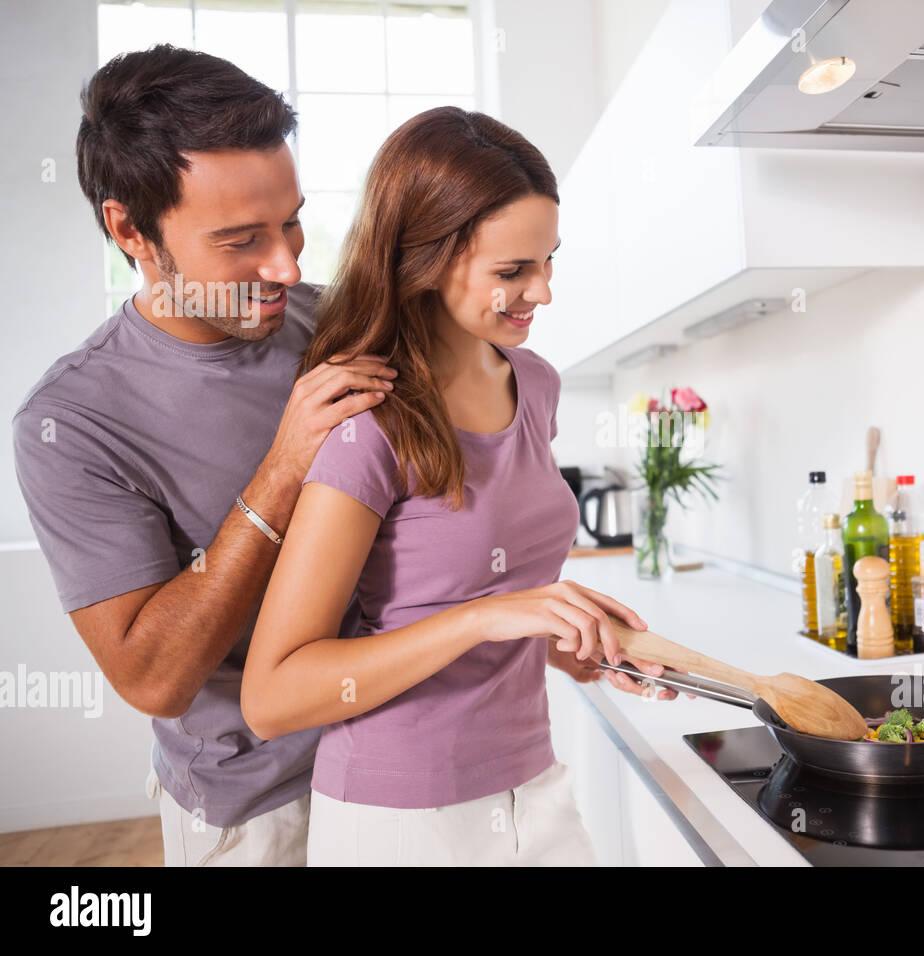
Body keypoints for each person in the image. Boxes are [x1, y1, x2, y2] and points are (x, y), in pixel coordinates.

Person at [240, 106, 676, 867]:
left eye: (548, 262)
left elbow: (475, 597)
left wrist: (564, 637)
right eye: (512, 271)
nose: (542, 292)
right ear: (425, 259)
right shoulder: (369, 420)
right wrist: (489, 619)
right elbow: (273, 697)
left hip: (532, 781)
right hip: (403, 815)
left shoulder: (534, 384)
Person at [10, 45, 403, 865]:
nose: (288, 265)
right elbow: (153, 678)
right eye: (240, 240)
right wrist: (283, 468)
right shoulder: (74, 420)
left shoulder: (330, 320)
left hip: (402, 757)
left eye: (291, 219)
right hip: (259, 812)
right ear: (129, 229)